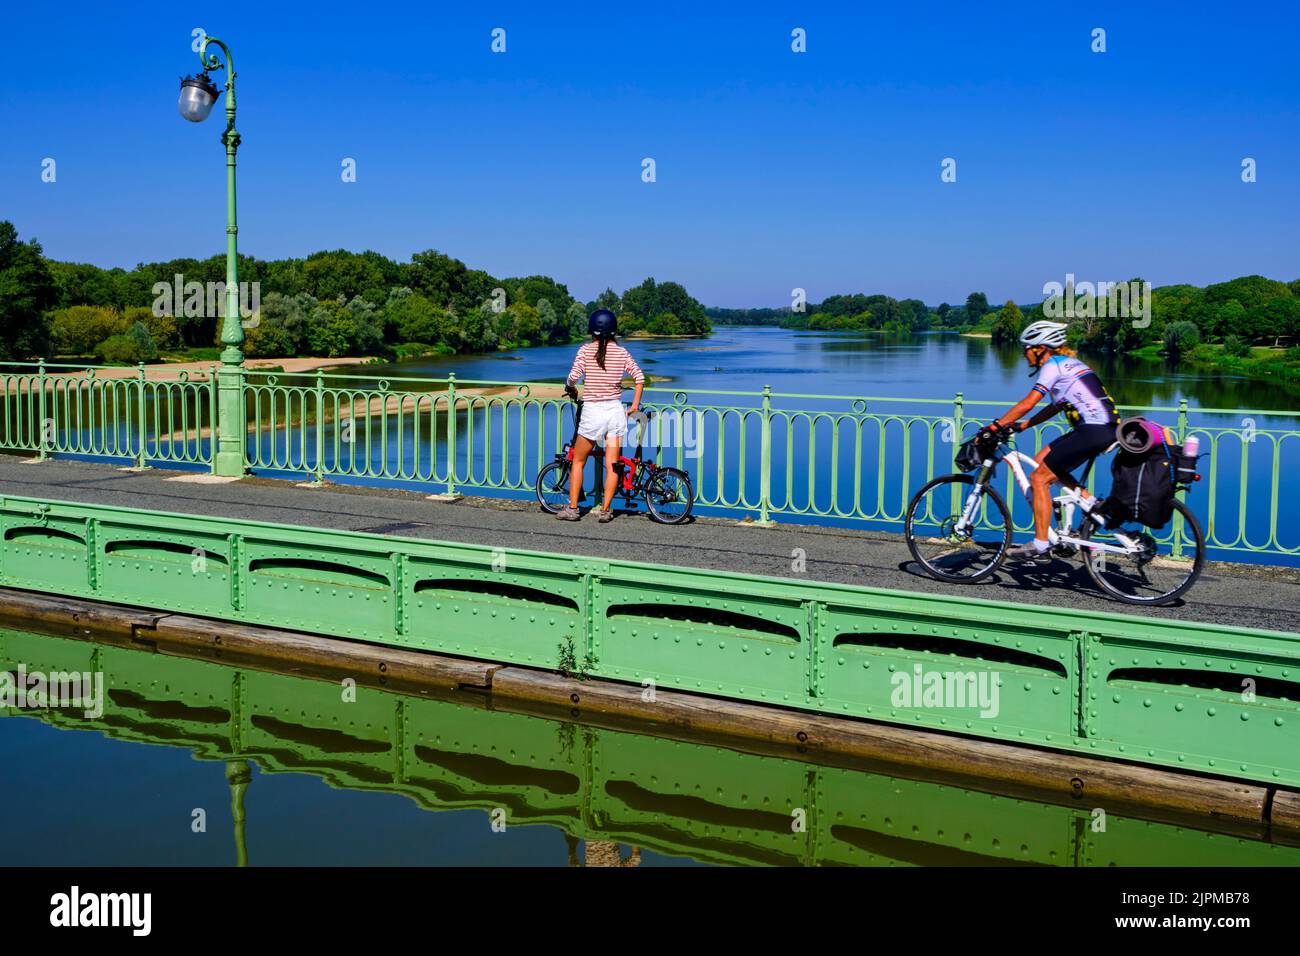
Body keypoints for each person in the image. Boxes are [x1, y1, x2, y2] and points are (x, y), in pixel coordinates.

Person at [986, 320, 1119, 560]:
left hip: (1093, 429)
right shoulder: (1069, 364)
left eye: (1026, 348)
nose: (1023, 353)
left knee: (1039, 477)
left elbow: (1029, 402)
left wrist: (996, 425)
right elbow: (1056, 406)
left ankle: (1040, 543)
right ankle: (1092, 503)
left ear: (1040, 348)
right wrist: (1024, 425)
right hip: (1102, 428)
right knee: (1041, 462)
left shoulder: (1052, 366)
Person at [555, 309, 645, 522]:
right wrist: (634, 406)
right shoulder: (622, 353)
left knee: (578, 461)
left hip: (593, 411)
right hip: (615, 411)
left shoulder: (585, 351)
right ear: (614, 330)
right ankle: (605, 510)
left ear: (592, 330)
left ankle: (573, 509)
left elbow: (573, 377)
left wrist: (570, 387)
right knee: (613, 464)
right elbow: (639, 377)